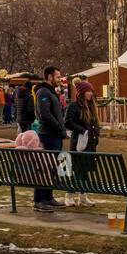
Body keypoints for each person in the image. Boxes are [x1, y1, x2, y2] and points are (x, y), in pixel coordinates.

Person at [32, 66, 66, 212]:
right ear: (49, 77)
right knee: (44, 168)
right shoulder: (43, 91)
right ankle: (39, 199)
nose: (59, 79)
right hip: (48, 135)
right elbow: (45, 114)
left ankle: (48, 196)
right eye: (57, 77)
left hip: (55, 135)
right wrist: (58, 126)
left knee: (52, 168)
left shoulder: (51, 92)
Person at [63, 80, 100, 207]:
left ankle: (83, 196)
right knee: (77, 170)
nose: (91, 93)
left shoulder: (91, 106)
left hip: (90, 143)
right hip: (79, 143)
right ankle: (69, 195)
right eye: (88, 91)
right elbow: (67, 122)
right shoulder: (74, 106)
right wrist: (82, 130)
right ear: (82, 93)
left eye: (91, 91)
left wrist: (96, 134)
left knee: (84, 171)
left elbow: (93, 123)